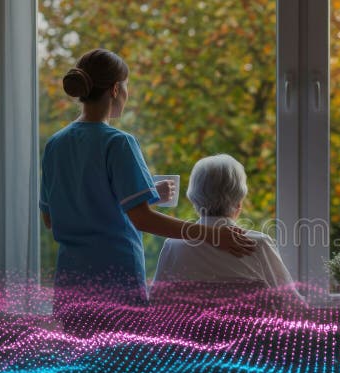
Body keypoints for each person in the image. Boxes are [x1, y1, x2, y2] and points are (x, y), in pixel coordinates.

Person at [39, 48, 255, 304]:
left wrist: (145, 191)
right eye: (127, 86)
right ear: (115, 90)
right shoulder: (118, 143)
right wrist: (213, 234)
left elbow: (51, 218)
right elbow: (143, 220)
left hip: (69, 289)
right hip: (116, 288)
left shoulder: (55, 144)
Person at [152, 154, 293, 296]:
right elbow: (292, 306)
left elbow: (157, 303)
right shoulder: (259, 244)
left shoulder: (173, 247)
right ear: (239, 202)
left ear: (194, 202)